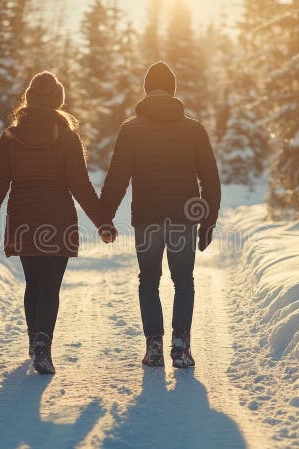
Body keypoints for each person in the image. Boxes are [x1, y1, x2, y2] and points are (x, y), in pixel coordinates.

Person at [0, 71, 116, 375]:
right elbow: (80, 185)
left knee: (34, 284)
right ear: (58, 102)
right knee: (50, 286)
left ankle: (34, 344)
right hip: (57, 219)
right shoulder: (67, 137)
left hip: (23, 219)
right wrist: (103, 222)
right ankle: (43, 344)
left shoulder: (10, 137)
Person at [100, 61, 221, 369]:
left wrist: (105, 218)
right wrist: (207, 222)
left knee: (149, 280)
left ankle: (154, 346)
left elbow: (117, 177)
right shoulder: (193, 129)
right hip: (182, 219)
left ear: (146, 90)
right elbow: (211, 179)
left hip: (147, 219)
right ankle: (180, 345)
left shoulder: (130, 130)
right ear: (173, 91)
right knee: (183, 280)